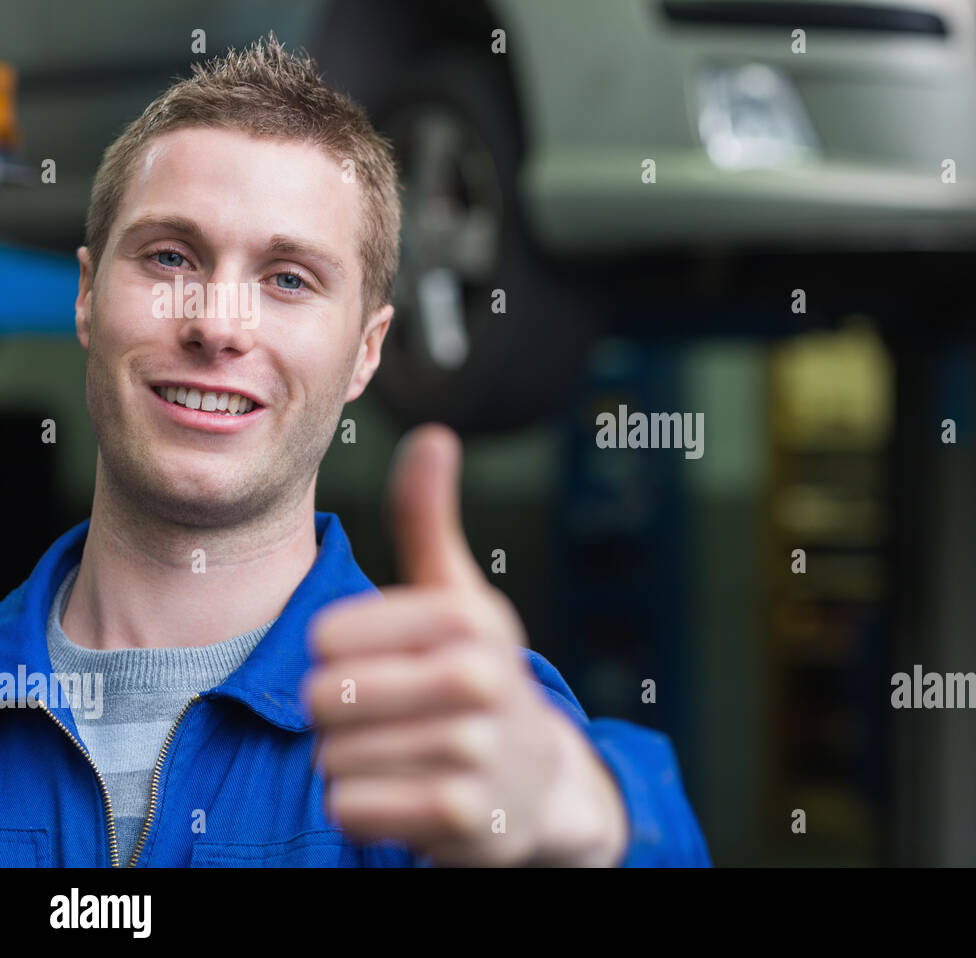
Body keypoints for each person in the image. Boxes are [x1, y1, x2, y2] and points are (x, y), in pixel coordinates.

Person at [0, 34, 710, 867]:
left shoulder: (451, 733)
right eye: (170, 256)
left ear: (368, 349)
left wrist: (586, 816)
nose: (219, 323)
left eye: (289, 278)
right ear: (88, 297)